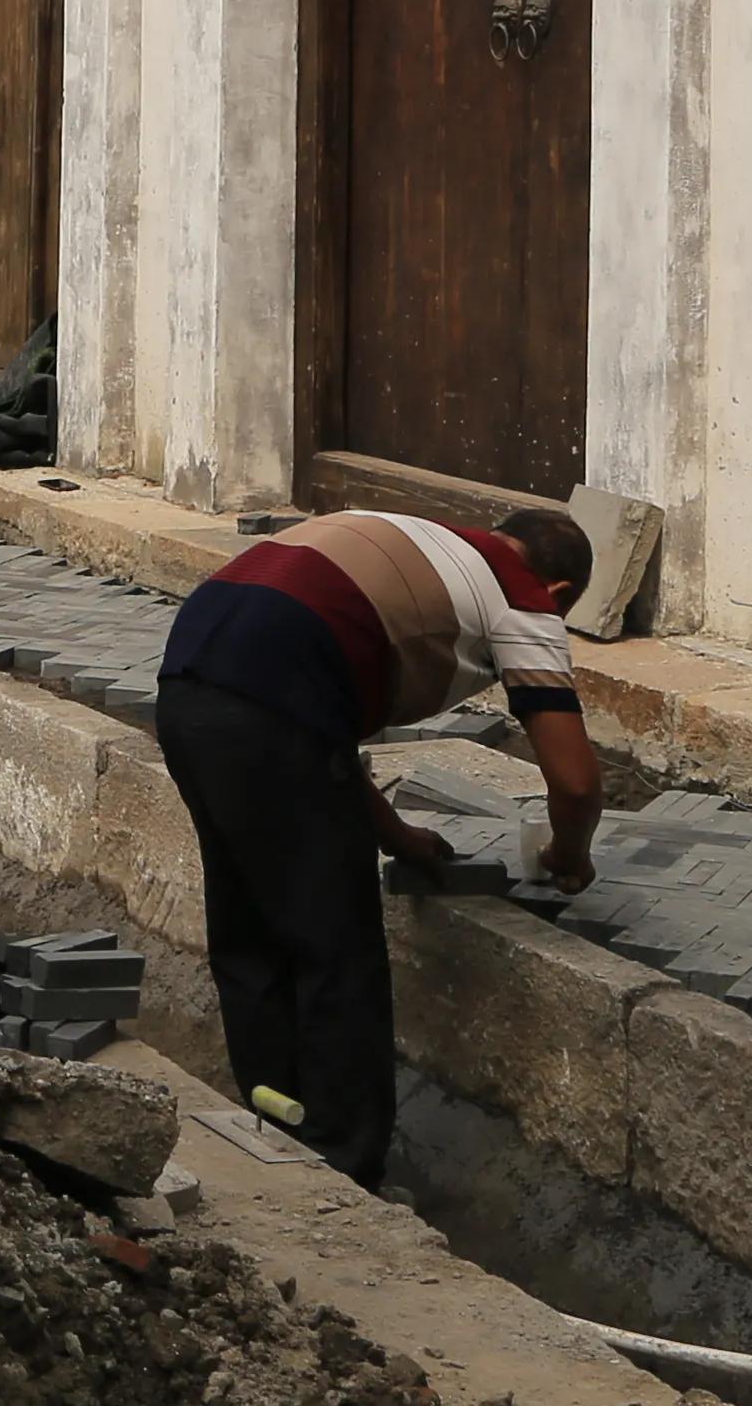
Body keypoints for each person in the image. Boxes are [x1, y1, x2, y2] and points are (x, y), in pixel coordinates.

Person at [152, 503, 599, 1188]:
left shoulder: (411, 535)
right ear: (563, 593)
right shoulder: (525, 598)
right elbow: (573, 783)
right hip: (271, 703)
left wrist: (394, 835)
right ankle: (341, 1164)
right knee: (335, 948)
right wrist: (569, 854)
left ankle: (274, 1118)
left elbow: (322, 730)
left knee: (247, 921)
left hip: (188, 683)